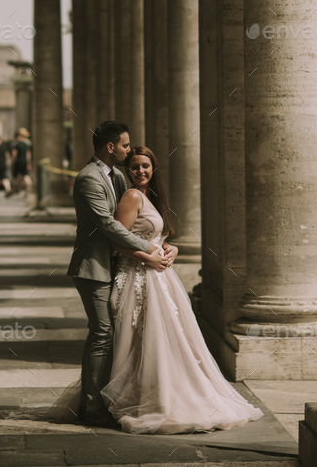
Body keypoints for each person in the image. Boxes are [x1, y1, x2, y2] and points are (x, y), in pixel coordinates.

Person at [100, 146, 264, 434]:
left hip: (158, 274)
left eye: (145, 166)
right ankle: (146, 398)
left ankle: (168, 392)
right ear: (128, 170)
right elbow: (117, 242)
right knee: (144, 338)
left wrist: (167, 246)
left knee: (168, 337)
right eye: (135, 166)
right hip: (140, 275)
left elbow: (151, 234)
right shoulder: (131, 196)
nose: (140, 171)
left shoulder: (150, 195)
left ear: (154, 168)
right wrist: (149, 257)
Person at [65, 121, 176, 428]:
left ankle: (111, 397)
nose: (130, 152)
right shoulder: (88, 178)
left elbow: (136, 219)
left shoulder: (115, 174)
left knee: (111, 335)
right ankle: (92, 407)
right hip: (93, 266)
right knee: (102, 334)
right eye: (126, 146)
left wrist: (163, 246)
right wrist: (149, 248)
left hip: (117, 265)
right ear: (111, 146)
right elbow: (108, 225)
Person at [11, 127, 33, 193]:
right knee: (25, 175)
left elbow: (14, 154)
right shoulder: (27, 143)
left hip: (18, 161)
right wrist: (28, 162)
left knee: (15, 176)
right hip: (24, 161)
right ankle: (29, 186)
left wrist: (13, 161)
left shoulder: (16, 144)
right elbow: (29, 154)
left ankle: (14, 189)